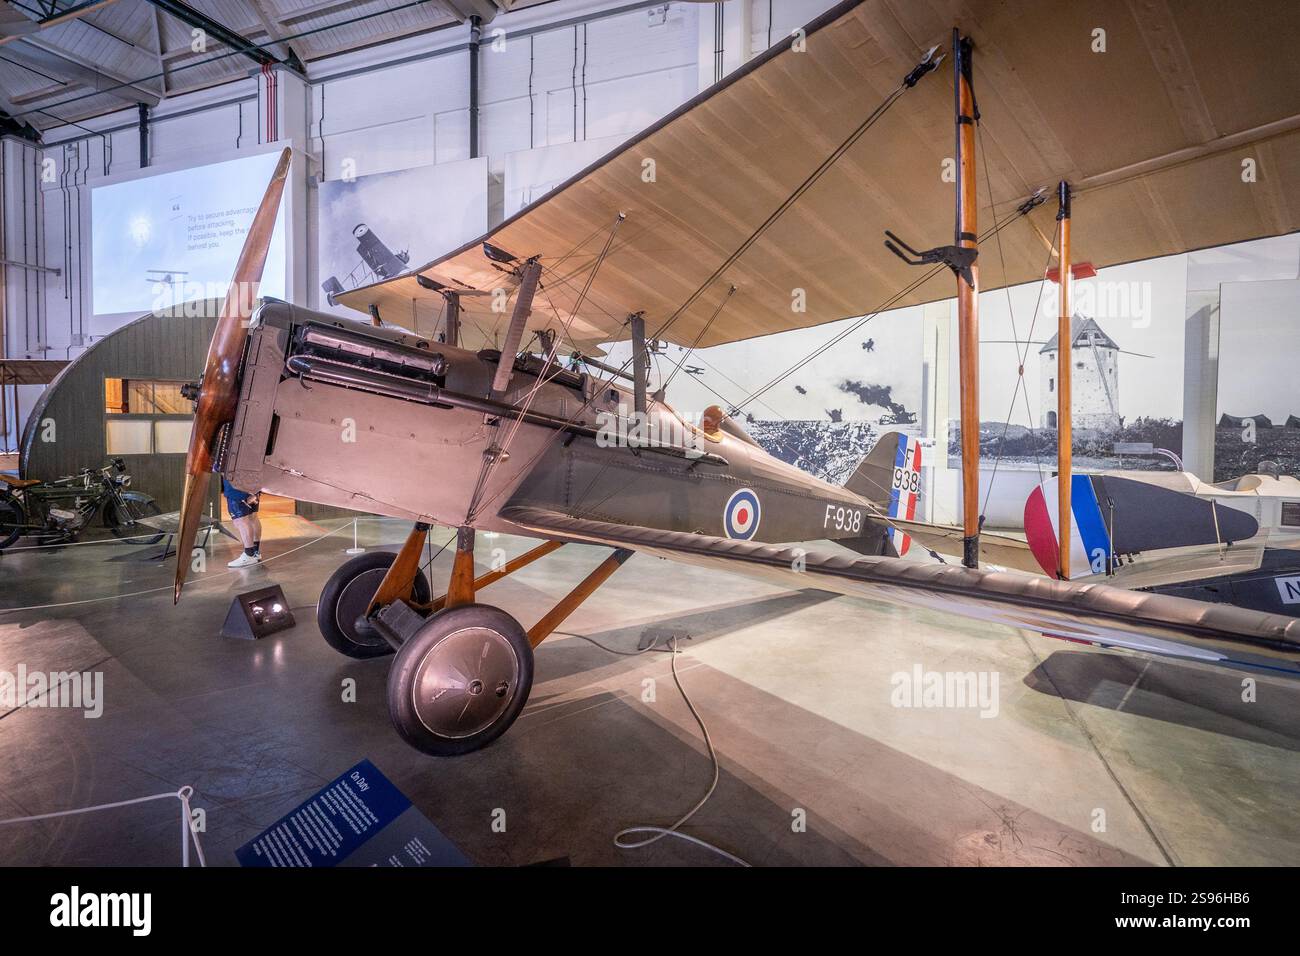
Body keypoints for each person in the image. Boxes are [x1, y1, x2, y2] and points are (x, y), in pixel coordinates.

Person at [222, 478, 262, 568]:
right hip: (253, 481)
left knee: (240, 520)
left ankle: (249, 555)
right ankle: (255, 552)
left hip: (236, 484)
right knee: (252, 517)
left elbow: (217, 467)